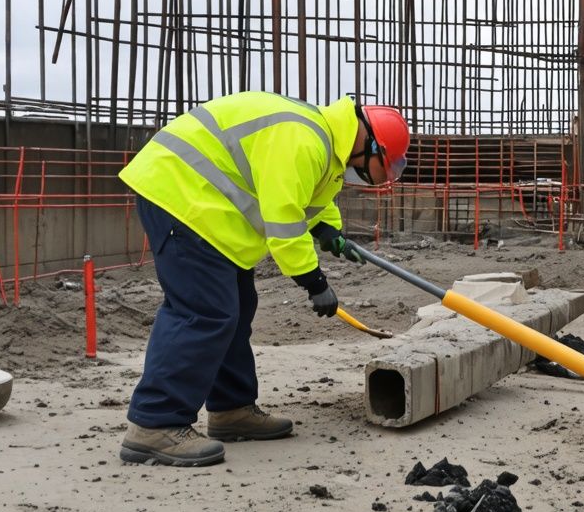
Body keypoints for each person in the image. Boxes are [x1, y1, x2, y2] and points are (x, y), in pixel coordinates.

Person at [115, 92, 410, 466]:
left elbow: (313, 198)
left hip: (210, 209)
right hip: (180, 195)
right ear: (369, 145)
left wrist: (328, 230)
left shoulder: (327, 144)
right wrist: (314, 282)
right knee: (204, 311)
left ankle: (231, 408)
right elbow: (284, 223)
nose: (376, 178)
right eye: (384, 168)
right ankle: (155, 424)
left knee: (236, 307)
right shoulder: (304, 139)